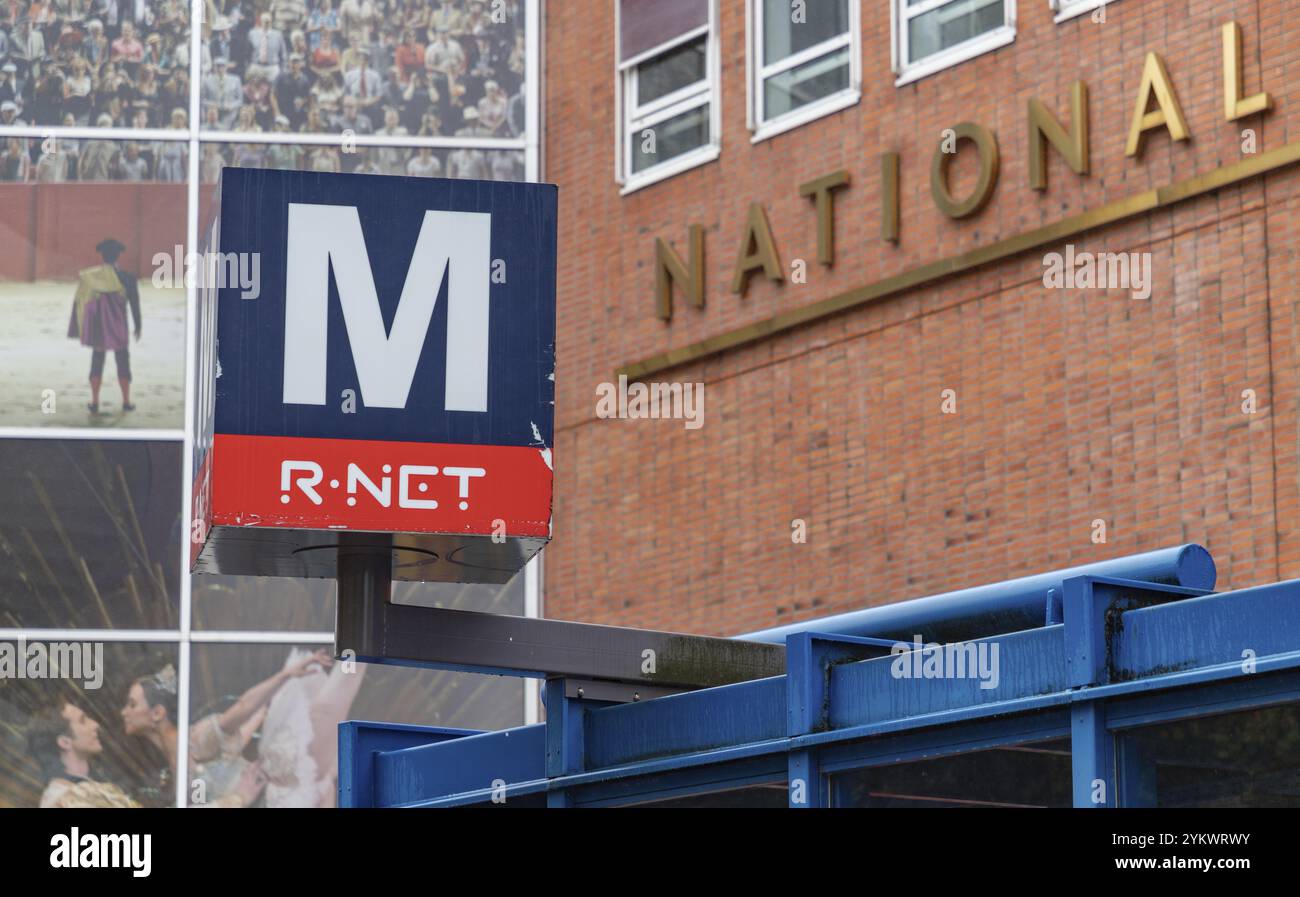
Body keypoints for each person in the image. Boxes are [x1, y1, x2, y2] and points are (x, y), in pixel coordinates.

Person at [121, 653, 331, 808]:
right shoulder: (171, 770)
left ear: (157, 713)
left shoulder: (197, 739)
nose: (123, 712)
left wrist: (285, 675)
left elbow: (242, 708)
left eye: (132, 704)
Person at [67, 237, 141, 414]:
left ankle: (94, 401)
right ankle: (126, 401)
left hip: (98, 328)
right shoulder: (128, 278)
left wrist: (79, 326)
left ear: (102, 256)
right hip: (119, 327)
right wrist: (138, 326)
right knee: (123, 361)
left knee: (97, 361)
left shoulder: (91, 277)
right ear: (118, 256)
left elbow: (81, 302)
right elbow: (134, 304)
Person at [27, 697, 139, 808]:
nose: (95, 725)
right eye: (83, 721)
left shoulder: (87, 785)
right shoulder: (61, 799)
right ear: (65, 742)